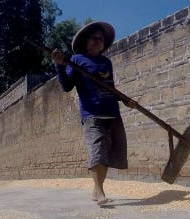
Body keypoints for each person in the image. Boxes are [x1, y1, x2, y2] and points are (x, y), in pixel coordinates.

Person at [51, 21, 136, 206]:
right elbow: (67, 86)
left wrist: (125, 100)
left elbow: (110, 87)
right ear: (85, 41)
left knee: (106, 154)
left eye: (101, 39)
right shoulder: (76, 60)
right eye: (94, 38)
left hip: (112, 114)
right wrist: (58, 65)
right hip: (92, 115)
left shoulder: (106, 62)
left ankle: (96, 190)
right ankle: (100, 191)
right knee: (97, 151)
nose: (98, 41)